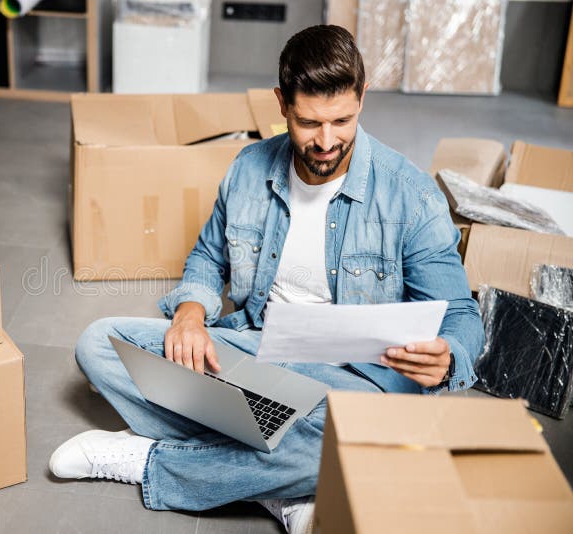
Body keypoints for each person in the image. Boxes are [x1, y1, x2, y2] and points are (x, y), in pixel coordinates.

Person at [49, 25, 484, 533]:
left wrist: (450, 354)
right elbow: (209, 258)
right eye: (309, 122)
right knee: (100, 343)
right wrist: (190, 315)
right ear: (282, 103)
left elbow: (459, 315)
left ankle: (153, 462)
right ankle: (283, 484)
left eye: (342, 120)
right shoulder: (249, 169)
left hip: (354, 381)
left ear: (363, 97)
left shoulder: (410, 195)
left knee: (359, 429)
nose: (326, 141)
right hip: (257, 350)